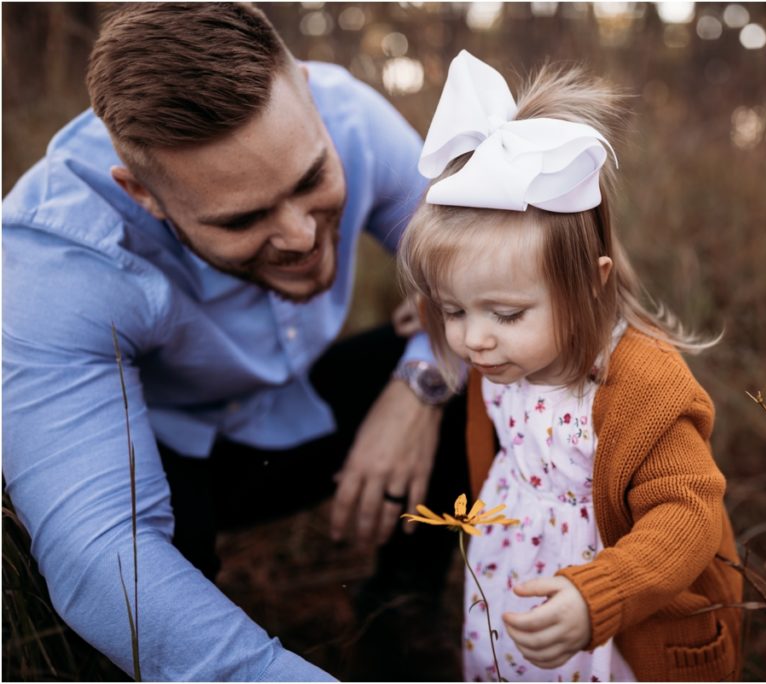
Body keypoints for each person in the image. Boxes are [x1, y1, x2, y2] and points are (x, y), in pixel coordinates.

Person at [2, 4, 467, 681]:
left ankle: (400, 617)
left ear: (305, 90)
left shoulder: (351, 116)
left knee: (489, 362)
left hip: (295, 409)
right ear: (144, 194)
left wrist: (423, 381)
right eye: (243, 218)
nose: (302, 236)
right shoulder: (53, 259)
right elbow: (103, 553)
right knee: (149, 559)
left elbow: (489, 273)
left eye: (310, 181)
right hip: (171, 458)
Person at [397, 51, 743, 681]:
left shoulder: (640, 385)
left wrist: (600, 595)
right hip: (513, 577)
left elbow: (690, 514)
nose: (474, 340)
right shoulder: (500, 357)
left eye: (504, 313)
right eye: (454, 309)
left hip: (620, 610)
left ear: (588, 284)